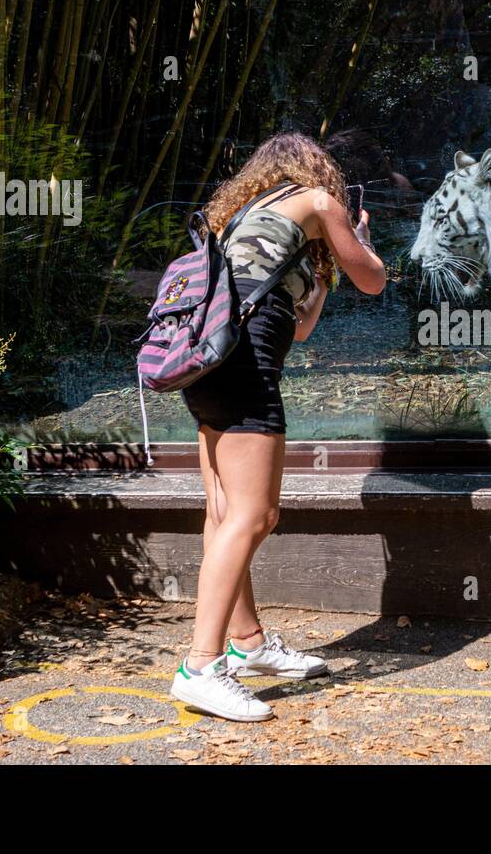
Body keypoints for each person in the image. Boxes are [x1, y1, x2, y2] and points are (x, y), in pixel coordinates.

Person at [169, 131, 386, 722]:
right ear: (316, 173)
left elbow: (301, 325)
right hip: (243, 367)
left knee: (223, 514)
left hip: (206, 365)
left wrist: (319, 288)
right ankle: (200, 667)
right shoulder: (318, 201)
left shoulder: (241, 218)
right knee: (254, 515)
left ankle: (248, 644)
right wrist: (361, 243)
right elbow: (374, 279)